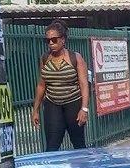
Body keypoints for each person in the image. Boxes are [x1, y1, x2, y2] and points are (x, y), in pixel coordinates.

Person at [32, 19, 90, 152]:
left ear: (63, 40)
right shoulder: (45, 59)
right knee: (52, 145)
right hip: (53, 104)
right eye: (48, 41)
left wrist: (84, 109)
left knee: (78, 144)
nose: (51, 43)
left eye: (54, 40)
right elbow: (41, 85)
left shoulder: (75, 58)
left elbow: (84, 84)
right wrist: (35, 110)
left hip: (73, 103)